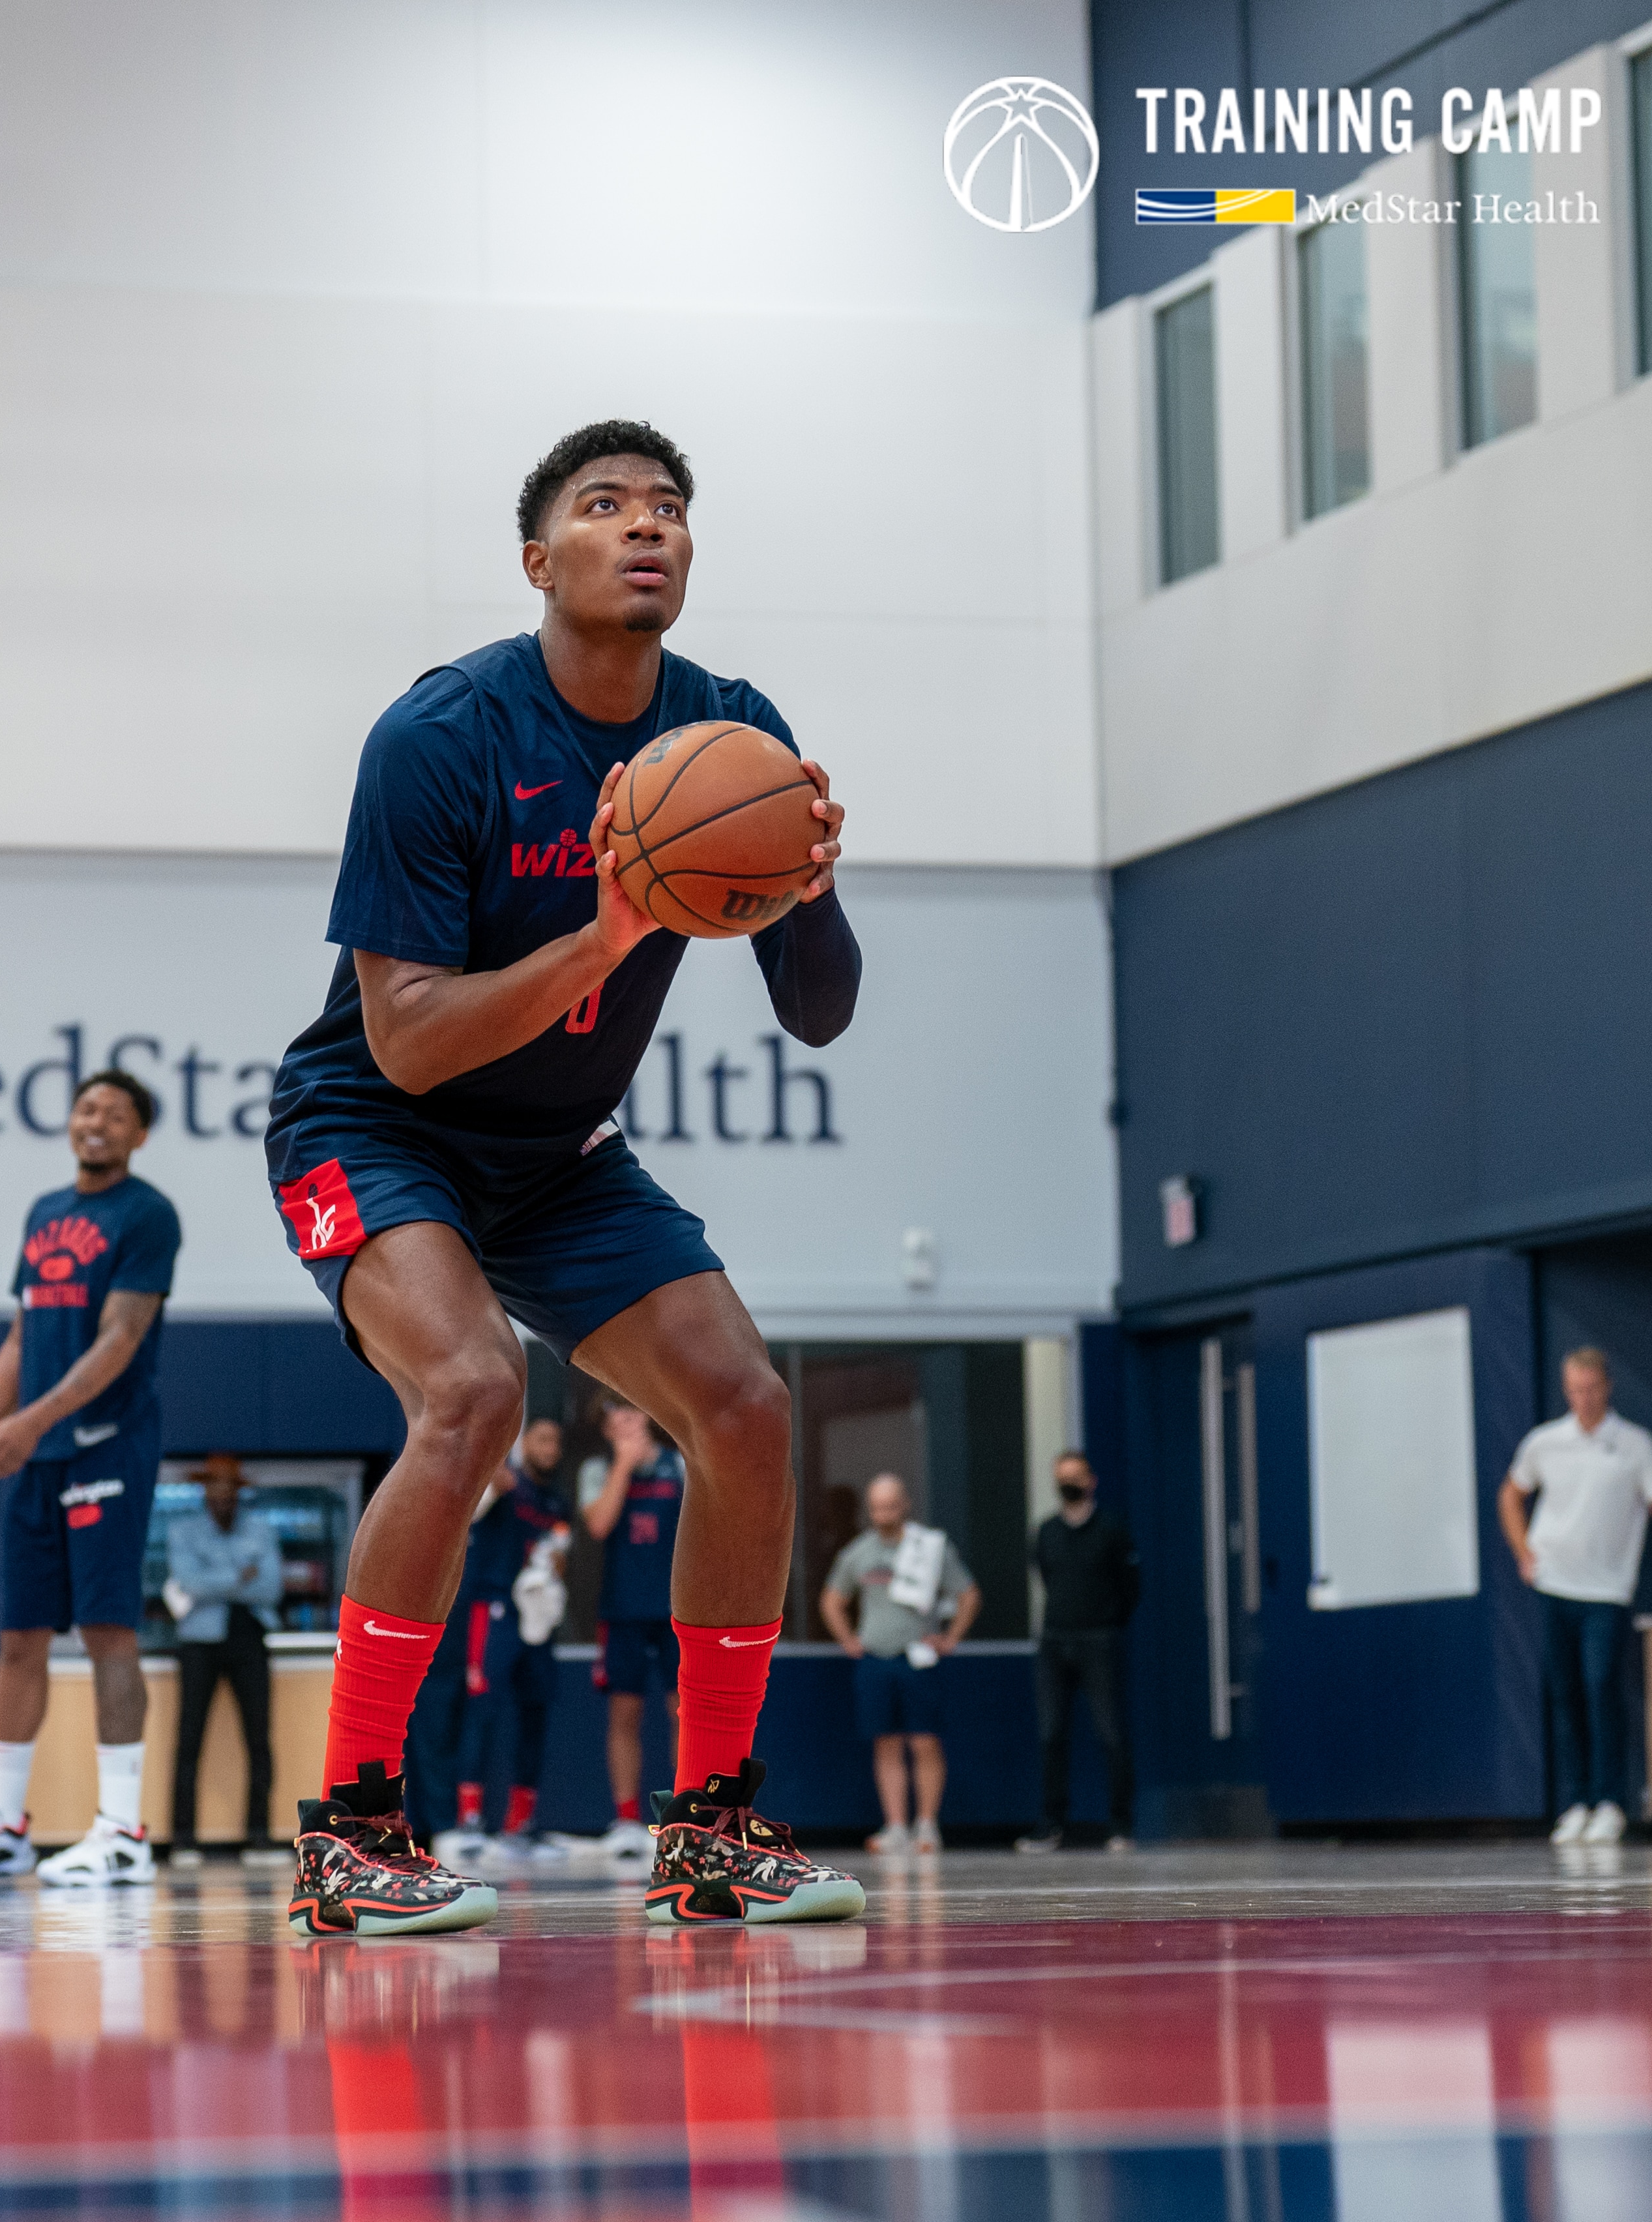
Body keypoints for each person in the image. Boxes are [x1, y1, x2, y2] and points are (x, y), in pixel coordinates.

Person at [265, 419, 864, 1937]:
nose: (643, 526)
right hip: (374, 1128)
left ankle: (711, 1826)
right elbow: (401, 1042)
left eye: (666, 508)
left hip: (556, 1153)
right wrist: (601, 935)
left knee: (741, 1404)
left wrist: (806, 881)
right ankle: (350, 1826)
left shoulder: (726, 737)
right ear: (541, 561)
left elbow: (816, 1009)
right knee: (471, 1393)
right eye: (604, 508)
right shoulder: (441, 733)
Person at [0, 1069, 183, 1888]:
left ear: (140, 1134)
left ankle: (123, 1831)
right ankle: (4, 1827)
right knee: (21, 1637)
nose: (95, 1122)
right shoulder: (45, 1215)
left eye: (115, 1113)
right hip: (39, 1453)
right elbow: (17, 1343)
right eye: (86, 1108)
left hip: (105, 1445)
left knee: (107, 1632)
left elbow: (121, 1339)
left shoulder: (146, 1214)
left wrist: (33, 1423)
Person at [1499, 1348, 1652, 1846]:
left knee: (1601, 1688)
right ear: (1565, 1389)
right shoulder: (1545, 1443)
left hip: (1608, 1590)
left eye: (1591, 1389)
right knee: (1565, 1692)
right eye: (1574, 1390)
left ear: (1607, 1386)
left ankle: (1610, 1802)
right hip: (1555, 1585)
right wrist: (1524, 1551)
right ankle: (1576, 1803)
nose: (1584, 1399)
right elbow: (1510, 1495)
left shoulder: (1636, 1445)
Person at [432, 1417, 572, 1868]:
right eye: (542, 1439)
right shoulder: (505, 1482)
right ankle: (469, 1820)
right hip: (494, 1610)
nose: (550, 1448)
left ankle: (520, 1825)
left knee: (536, 1712)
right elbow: (474, 1507)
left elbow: (561, 1559)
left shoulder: (556, 1502)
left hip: (538, 1615)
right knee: (482, 1708)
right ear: (525, 1442)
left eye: (556, 1442)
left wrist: (552, 1572)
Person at [820, 1473, 980, 1853]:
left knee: (925, 1741)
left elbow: (968, 1594)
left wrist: (951, 1637)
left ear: (905, 1504)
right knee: (885, 1744)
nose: (883, 1514)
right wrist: (847, 1638)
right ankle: (895, 1826)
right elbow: (831, 1598)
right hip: (876, 1658)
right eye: (877, 1507)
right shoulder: (858, 1553)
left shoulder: (929, 1548)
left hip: (918, 1659)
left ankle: (926, 1825)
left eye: (891, 1506)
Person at [164, 1456, 287, 1869]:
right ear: (204, 1493)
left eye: (228, 1488)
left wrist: (214, 1580)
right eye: (213, 1489)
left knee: (259, 1738)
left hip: (250, 1637)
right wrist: (240, 1575)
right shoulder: (183, 1530)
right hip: (199, 1641)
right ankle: (183, 1839)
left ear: (238, 1491)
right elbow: (188, 1582)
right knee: (189, 1738)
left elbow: (271, 1588)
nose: (221, 1497)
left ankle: (259, 1837)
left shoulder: (262, 1529)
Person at [1017, 1451, 1142, 1855]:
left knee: (1111, 1734)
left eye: (1075, 1477)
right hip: (1055, 1641)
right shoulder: (1047, 1532)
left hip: (1099, 1640)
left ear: (1091, 1480)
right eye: (1061, 1478)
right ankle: (1052, 1825)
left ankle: (1121, 1825)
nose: (1068, 1484)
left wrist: (1108, 1623)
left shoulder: (1111, 1529)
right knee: (1051, 1734)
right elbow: (1045, 1577)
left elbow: (1130, 1588)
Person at [583, 1402, 686, 1863]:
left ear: (647, 1418)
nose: (627, 1425)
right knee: (624, 1714)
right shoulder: (597, 1469)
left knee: (682, 1711)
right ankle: (627, 1819)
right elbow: (599, 1523)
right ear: (607, 1430)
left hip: (675, 1609)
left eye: (633, 1416)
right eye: (617, 1420)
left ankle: (685, 1814)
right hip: (623, 1610)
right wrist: (624, 1466)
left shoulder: (678, 1463)